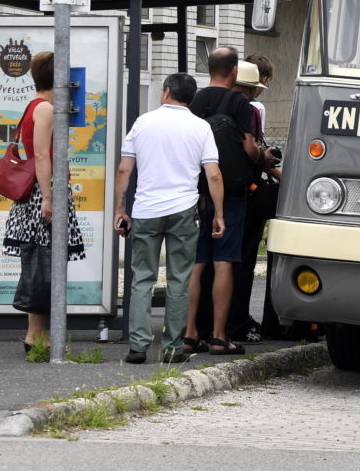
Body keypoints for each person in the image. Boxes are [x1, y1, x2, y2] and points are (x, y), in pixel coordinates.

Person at [113, 73, 224, 364]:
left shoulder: (143, 123)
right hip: (183, 211)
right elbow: (213, 174)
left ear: (165, 92)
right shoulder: (200, 127)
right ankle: (173, 349)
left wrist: (120, 210)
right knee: (179, 280)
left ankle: (138, 347)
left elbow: (125, 170)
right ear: (191, 98)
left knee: (142, 279)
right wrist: (219, 214)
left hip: (147, 210)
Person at [1, 51, 85, 353]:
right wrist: (49, 197)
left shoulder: (35, 106)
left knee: (40, 262)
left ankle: (37, 333)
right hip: (42, 193)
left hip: (38, 193)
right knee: (43, 262)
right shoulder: (46, 109)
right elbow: (40, 155)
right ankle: (35, 335)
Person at [184, 46, 260, 355]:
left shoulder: (196, 100)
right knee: (224, 260)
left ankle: (190, 333)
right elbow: (249, 149)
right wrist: (264, 158)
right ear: (233, 73)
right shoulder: (239, 102)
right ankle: (218, 336)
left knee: (197, 262)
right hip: (230, 192)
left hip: (197, 190)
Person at [228, 56, 282, 342]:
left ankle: (219, 322)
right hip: (246, 191)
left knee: (221, 261)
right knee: (244, 261)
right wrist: (267, 158)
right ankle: (237, 322)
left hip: (215, 191)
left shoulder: (209, 105)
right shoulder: (251, 111)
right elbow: (253, 150)